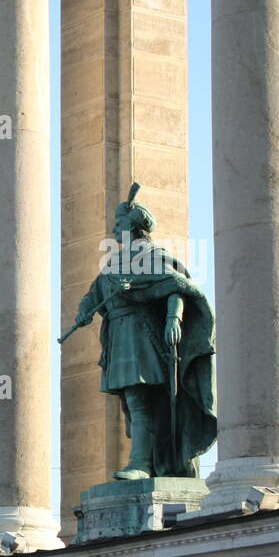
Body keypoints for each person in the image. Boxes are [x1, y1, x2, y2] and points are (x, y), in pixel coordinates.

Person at [63, 183, 216, 479]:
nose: (114, 228)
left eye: (119, 223)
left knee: (141, 398)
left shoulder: (154, 256)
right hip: (119, 335)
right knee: (132, 404)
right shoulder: (112, 263)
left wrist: (174, 318)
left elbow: (177, 287)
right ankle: (144, 461)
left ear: (134, 226)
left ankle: (142, 464)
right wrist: (84, 312)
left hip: (142, 333)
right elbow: (94, 294)